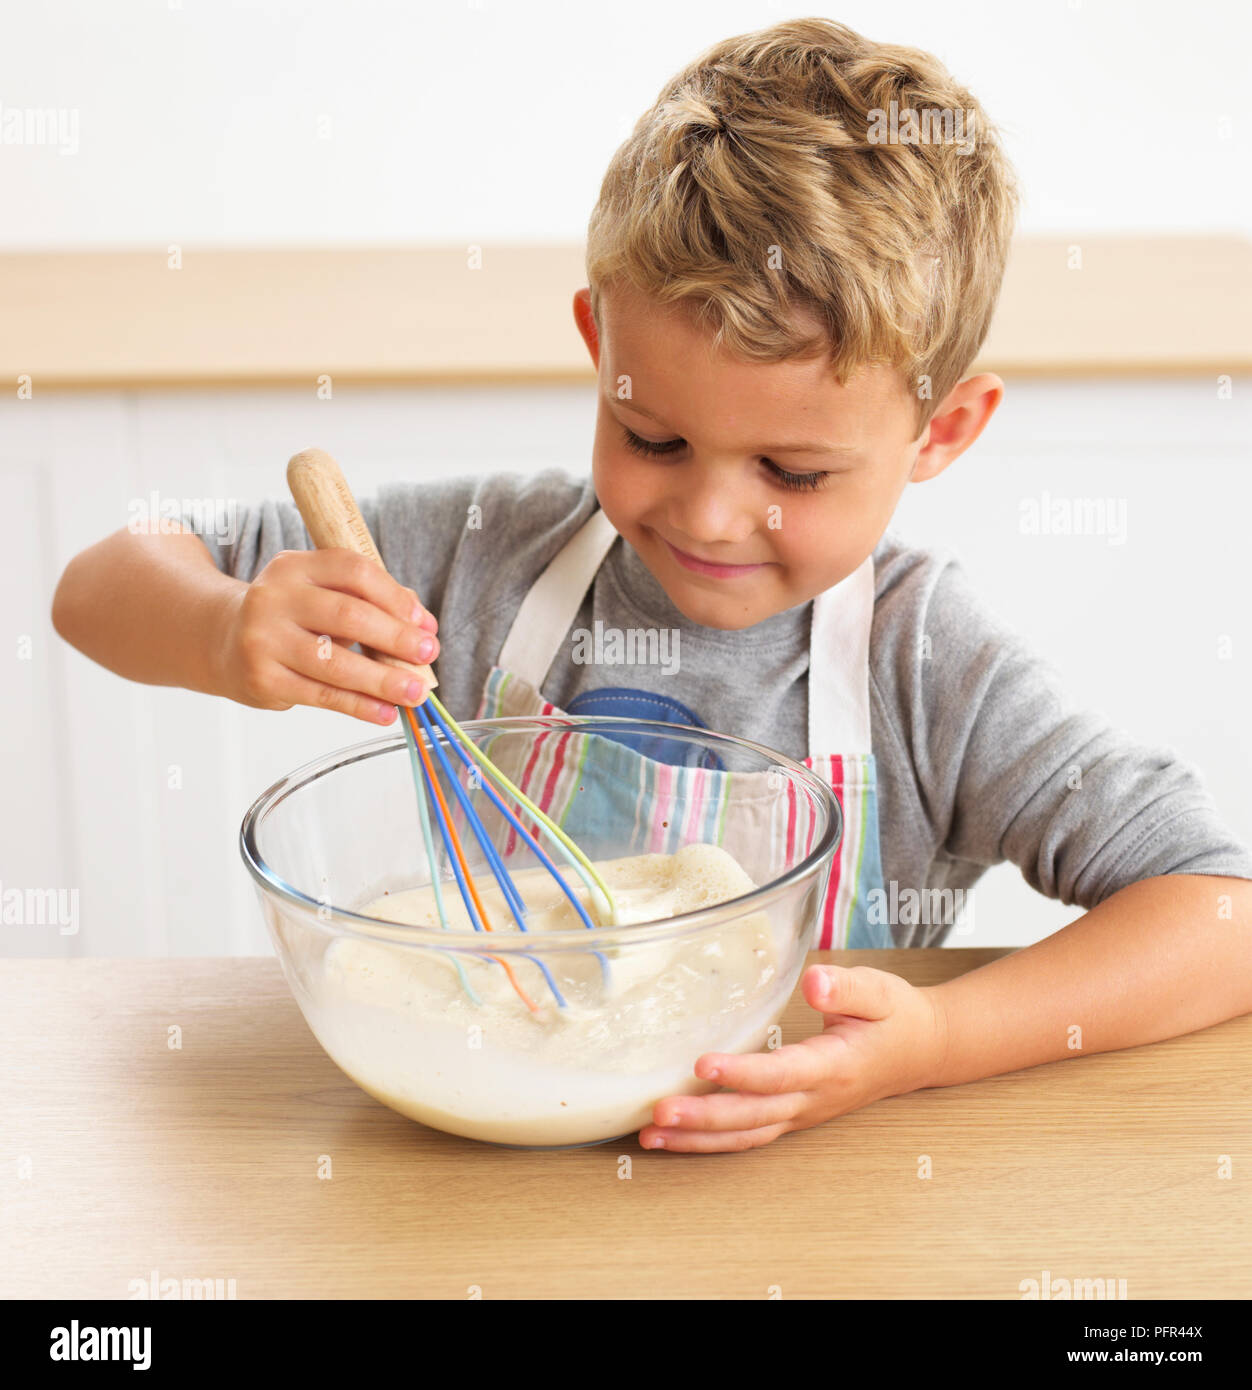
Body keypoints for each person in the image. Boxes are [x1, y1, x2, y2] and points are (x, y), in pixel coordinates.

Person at [52, 18, 1252, 1152]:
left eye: (794, 468)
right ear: (599, 344)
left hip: (818, 1209)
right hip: (469, 1163)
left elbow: (1222, 912)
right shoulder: (485, 553)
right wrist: (221, 629)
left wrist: (932, 1038)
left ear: (940, 433)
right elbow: (102, 579)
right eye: (655, 439)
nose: (709, 514)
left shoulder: (927, 666)